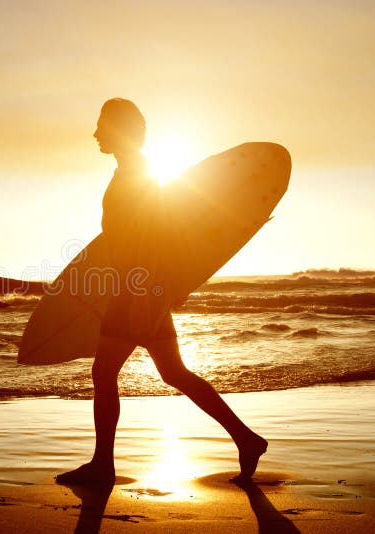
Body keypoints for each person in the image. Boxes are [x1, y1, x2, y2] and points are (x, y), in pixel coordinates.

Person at [55, 98, 267, 486]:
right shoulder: (131, 172)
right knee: (174, 373)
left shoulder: (137, 173)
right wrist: (164, 286)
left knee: (104, 373)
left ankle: (103, 465)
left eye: (102, 125)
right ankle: (247, 439)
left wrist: (148, 292)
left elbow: (156, 237)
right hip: (141, 287)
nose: (96, 132)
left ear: (119, 129)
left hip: (137, 289)